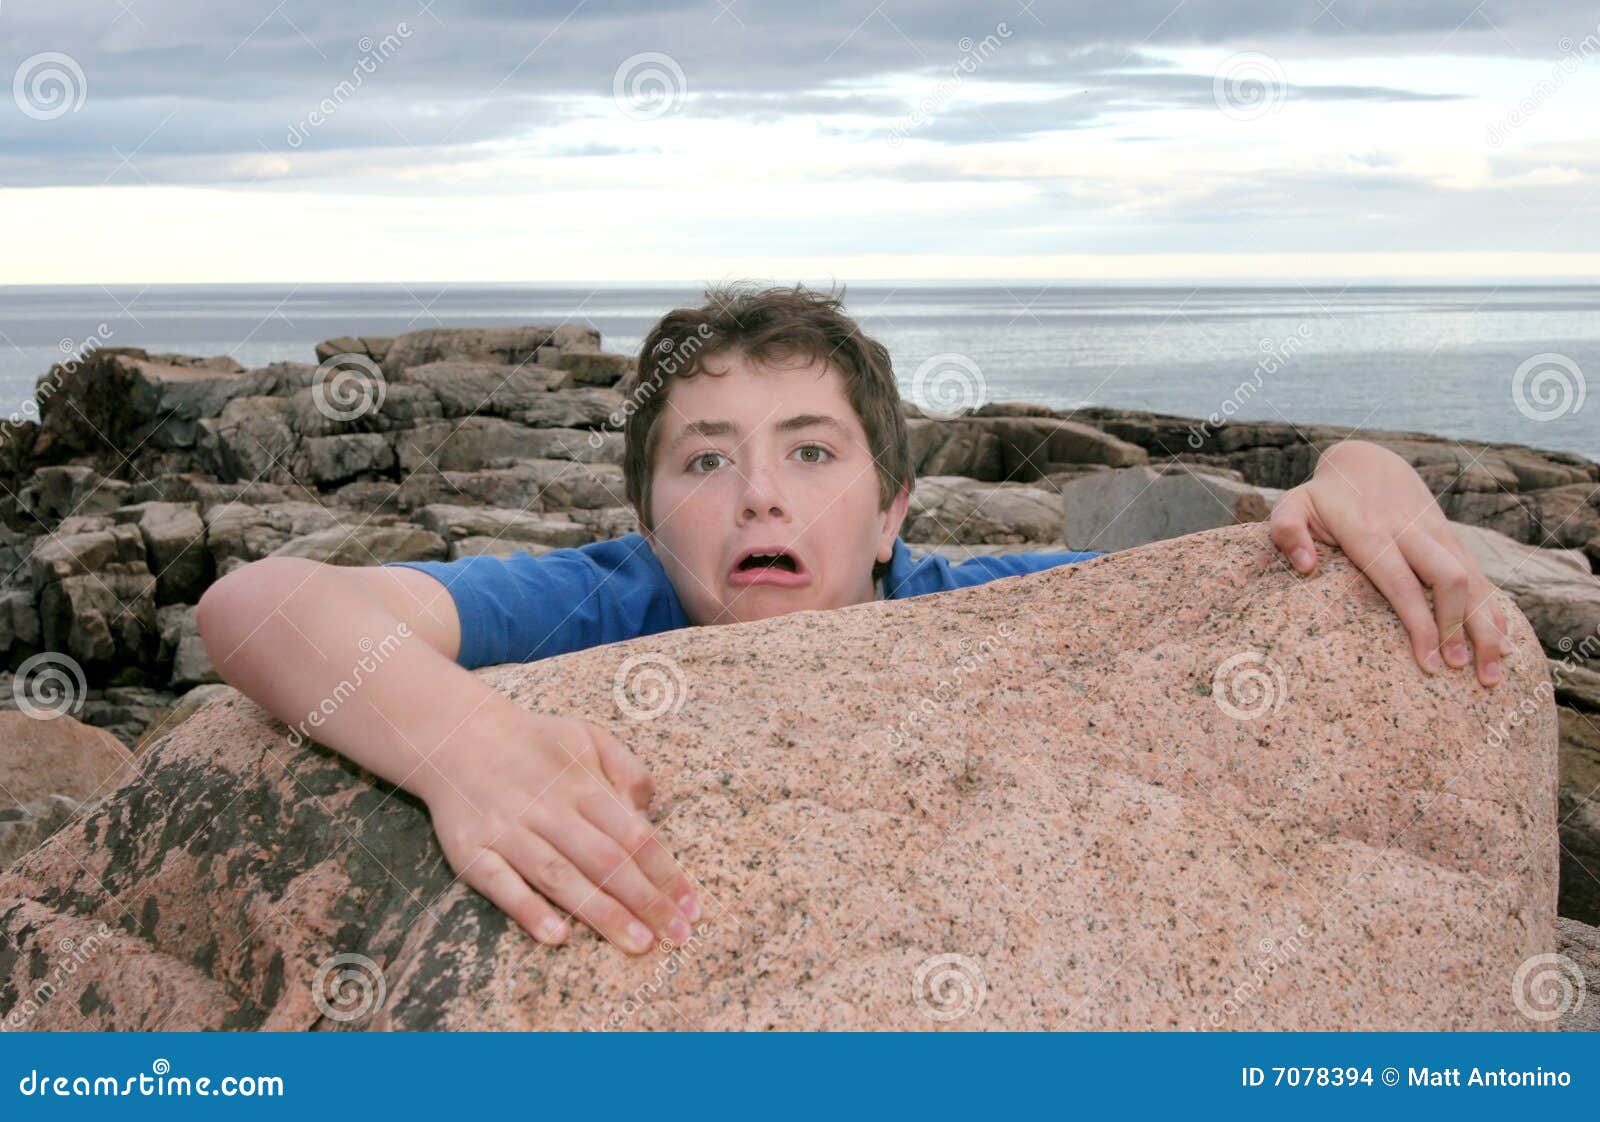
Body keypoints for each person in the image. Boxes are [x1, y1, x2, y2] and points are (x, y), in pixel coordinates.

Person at [196, 282, 1511, 956]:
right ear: (649, 513)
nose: (758, 492)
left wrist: (1363, 471)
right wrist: (457, 747)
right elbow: (260, 603)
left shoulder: (973, 610)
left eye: (811, 453)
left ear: (892, 512)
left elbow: (1243, 580)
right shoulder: (606, 599)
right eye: (705, 461)